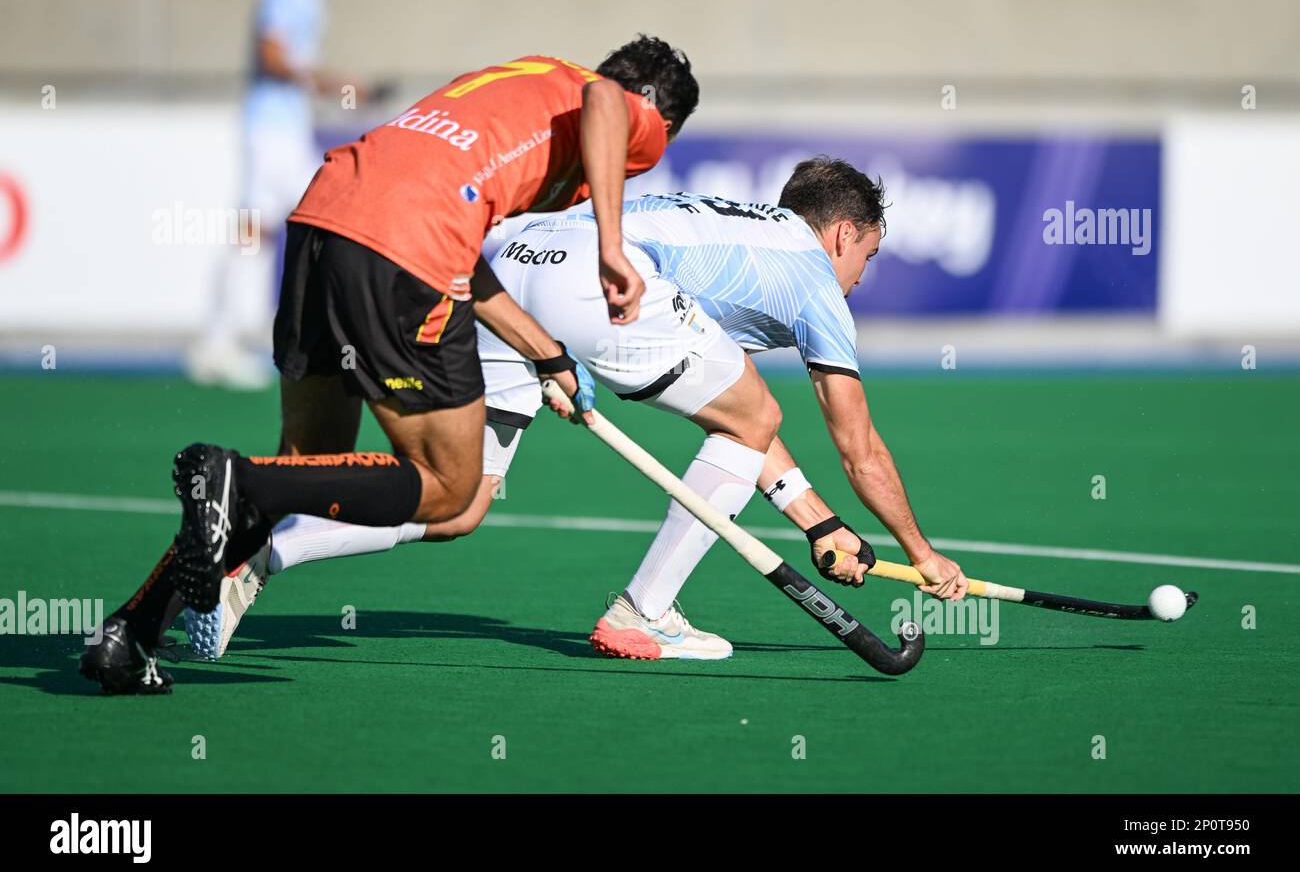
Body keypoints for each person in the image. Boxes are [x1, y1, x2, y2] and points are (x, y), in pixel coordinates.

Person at [80, 36, 700, 694]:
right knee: (450, 486)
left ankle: (129, 634)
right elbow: (606, 101)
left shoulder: (528, 81)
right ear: (657, 117)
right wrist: (612, 246)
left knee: (301, 471)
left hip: (326, 217)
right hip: (404, 250)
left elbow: (450, 237)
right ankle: (234, 478)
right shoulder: (612, 100)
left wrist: (543, 350)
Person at [187, 157, 968, 664]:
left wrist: (819, 526)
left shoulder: (741, 236)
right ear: (842, 234)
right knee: (752, 414)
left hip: (512, 261)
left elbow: (737, 419)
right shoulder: (813, 282)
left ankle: (257, 557)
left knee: (458, 497)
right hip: (597, 282)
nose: (860, 278)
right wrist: (921, 554)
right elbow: (855, 446)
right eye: (866, 256)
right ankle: (645, 610)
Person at [189, 0, 371, 390]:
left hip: (281, 128)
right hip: (272, 130)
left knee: (275, 228)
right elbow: (271, 54)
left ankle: (234, 337)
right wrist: (328, 81)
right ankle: (223, 341)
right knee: (300, 223)